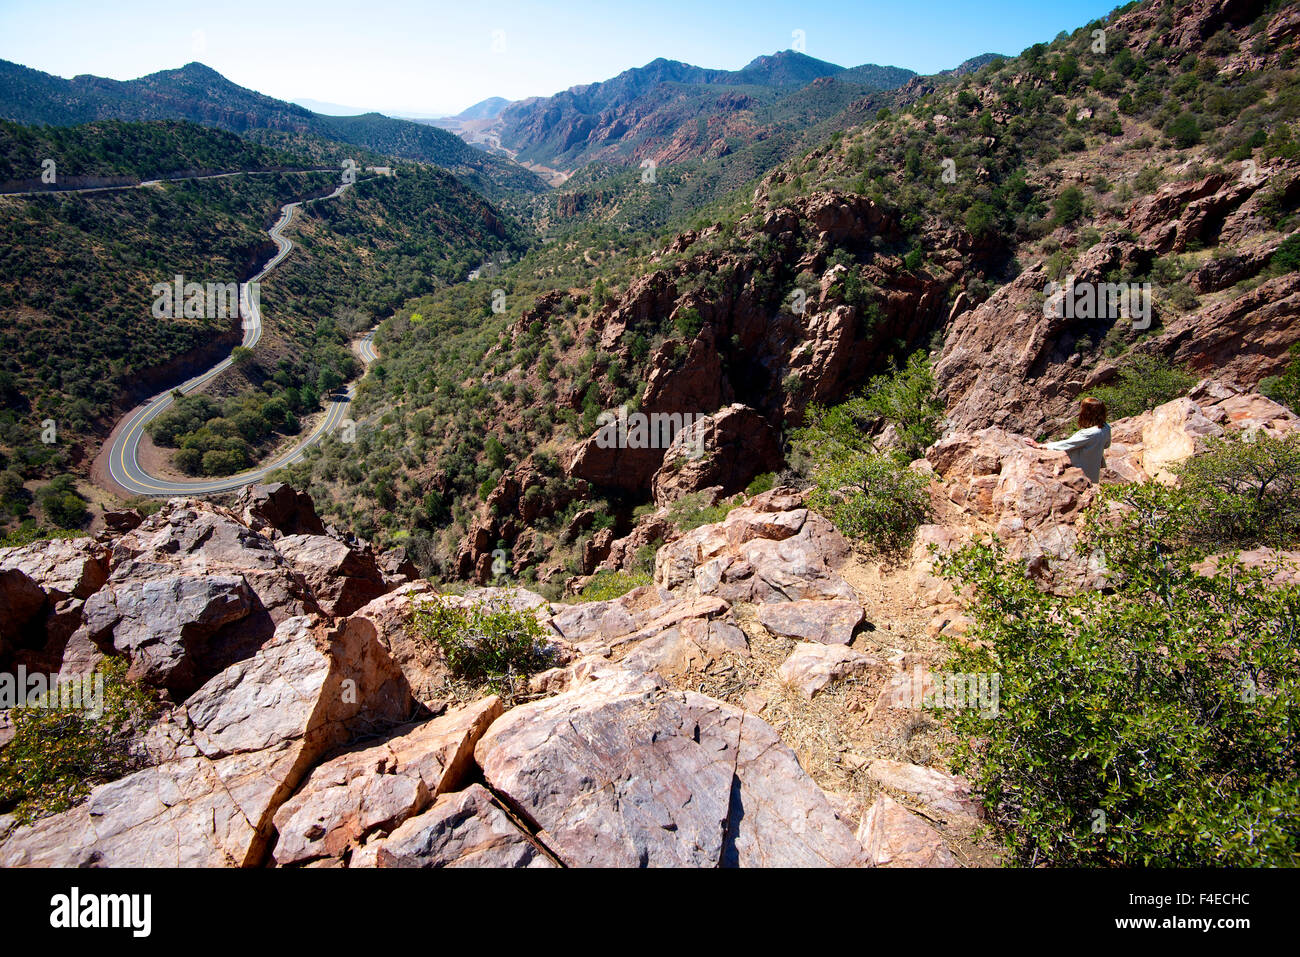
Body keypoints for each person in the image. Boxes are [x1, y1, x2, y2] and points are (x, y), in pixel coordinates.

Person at [1025, 397, 1111, 482]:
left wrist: (1040, 446)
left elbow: (1066, 444)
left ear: (1087, 412)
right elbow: (1107, 445)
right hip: (1093, 472)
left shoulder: (1089, 433)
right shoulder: (1106, 427)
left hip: (1080, 474)